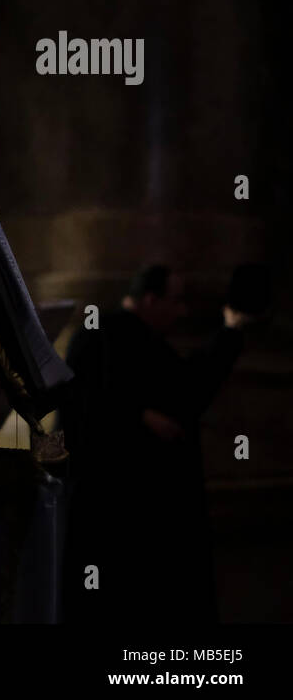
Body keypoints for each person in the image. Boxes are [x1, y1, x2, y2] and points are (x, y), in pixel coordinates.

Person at [62, 264, 251, 623]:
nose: (182, 312)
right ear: (150, 299)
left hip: (131, 514)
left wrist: (230, 333)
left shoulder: (128, 338)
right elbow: (80, 409)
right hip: (120, 514)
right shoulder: (110, 336)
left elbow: (182, 389)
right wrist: (136, 416)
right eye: (176, 301)